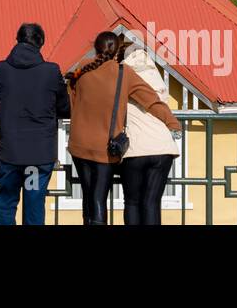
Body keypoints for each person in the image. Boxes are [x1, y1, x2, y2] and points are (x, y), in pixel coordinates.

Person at [65, 32, 180, 225]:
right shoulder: (123, 72)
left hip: (78, 143)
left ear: (96, 47)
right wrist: (172, 122)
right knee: (98, 197)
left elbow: (72, 100)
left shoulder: (82, 67)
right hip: (104, 146)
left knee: (88, 195)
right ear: (117, 49)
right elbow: (150, 100)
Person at [0, 23, 70, 225]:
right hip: (38, 154)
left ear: (17, 40)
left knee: (6, 202)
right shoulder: (51, 71)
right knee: (34, 203)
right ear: (41, 43)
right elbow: (65, 108)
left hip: (11, 152)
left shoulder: (1, 69)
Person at [120, 44, 182, 225]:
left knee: (132, 202)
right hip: (163, 148)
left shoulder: (123, 76)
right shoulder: (157, 76)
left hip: (136, 149)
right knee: (152, 203)